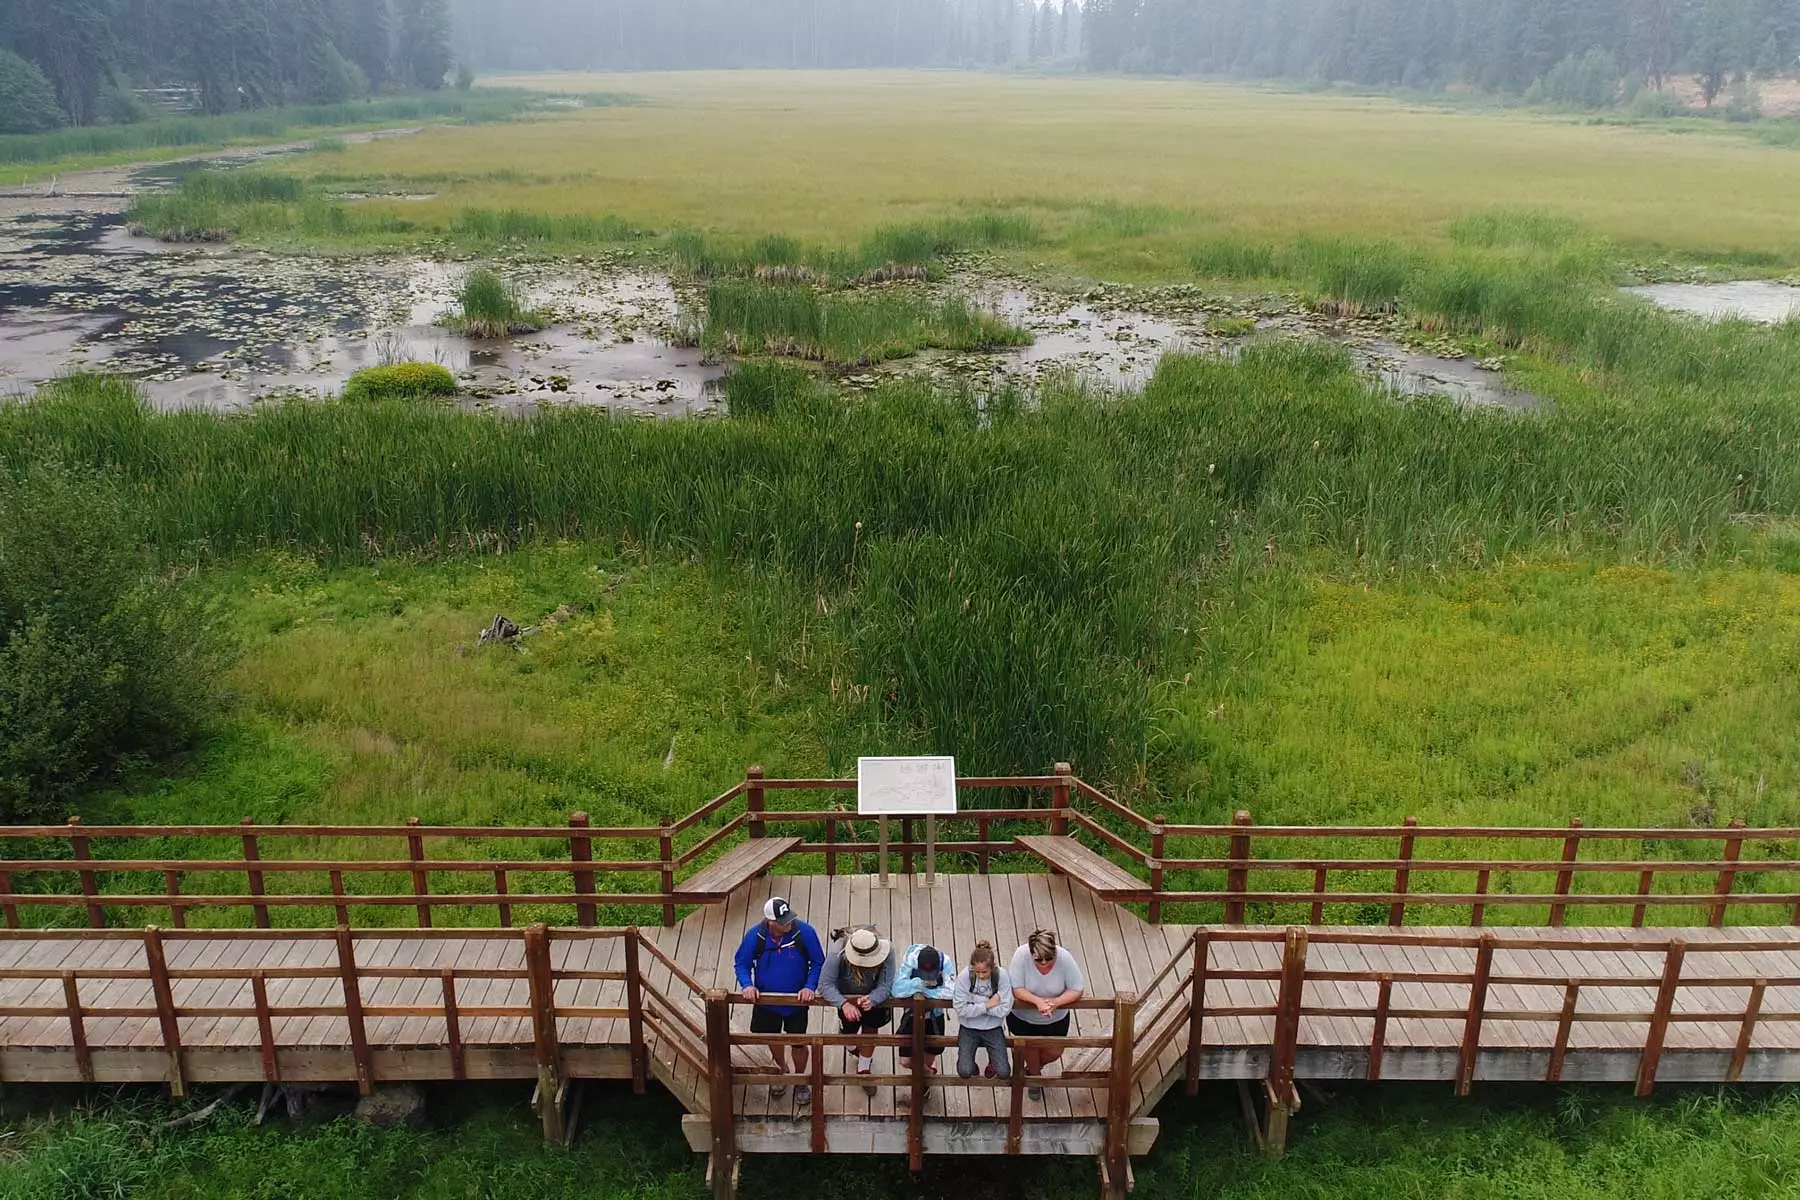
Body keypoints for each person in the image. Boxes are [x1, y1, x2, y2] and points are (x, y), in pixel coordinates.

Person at [733, 896, 823, 1104]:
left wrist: (809, 987)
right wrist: (747, 985)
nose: (789, 923)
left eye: (789, 918)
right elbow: (741, 963)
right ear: (770, 922)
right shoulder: (755, 936)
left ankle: (800, 1079)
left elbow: (818, 961)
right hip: (767, 1001)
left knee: (798, 1043)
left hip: (796, 1003)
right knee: (772, 1038)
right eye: (783, 921)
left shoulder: (805, 933)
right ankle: (781, 1070)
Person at [819, 925, 897, 1095]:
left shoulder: (888, 951)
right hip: (846, 996)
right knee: (849, 1033)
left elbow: (887, 983)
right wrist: (844, 1003)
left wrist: (874, 998)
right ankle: (851, 1045)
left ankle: (864, 1069)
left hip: (874, 997)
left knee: (871, 1029)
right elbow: (825, 985)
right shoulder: (836, 954)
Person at [1008, 928, 1085, 1101]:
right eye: (1038, 959)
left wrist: (1055, 1003)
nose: (1044, 963)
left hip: (1055, 1017)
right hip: (1023, 1018)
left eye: (1049, 959)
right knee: (1031, 1047)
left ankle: (1029, 1069)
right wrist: (1037, 1001)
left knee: (1055, 1051)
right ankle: (1035, 1078)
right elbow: (1016, 988)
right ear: (1031, 953)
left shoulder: (1064, 958)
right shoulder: (1021, 956)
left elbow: (1077, 988)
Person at [892, 943, 956, 1075]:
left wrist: (921, 991)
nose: (928, 977)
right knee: (905, 1060)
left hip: (935, 1015)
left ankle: (924, 1085)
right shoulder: (911, 958)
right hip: (912, 1014)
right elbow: (897, 990)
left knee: (931, 1054)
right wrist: (918, 983)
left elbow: (952, 993)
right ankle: (929, 1074)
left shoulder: (945, 962)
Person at [953, 940, 1012, 1081]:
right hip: (968, 1027)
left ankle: (993, 1062)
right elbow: (960, 1009)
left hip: (993, 1027)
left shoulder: (1001, 976)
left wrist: (974, 1001)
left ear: (992, 968)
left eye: (984, 972)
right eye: (977, 972)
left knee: (1004, 1072)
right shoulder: (965, 977)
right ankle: (973, 1066)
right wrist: (987, 1004)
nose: (980, 975)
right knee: (964, 1071)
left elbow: (1005, 1009)